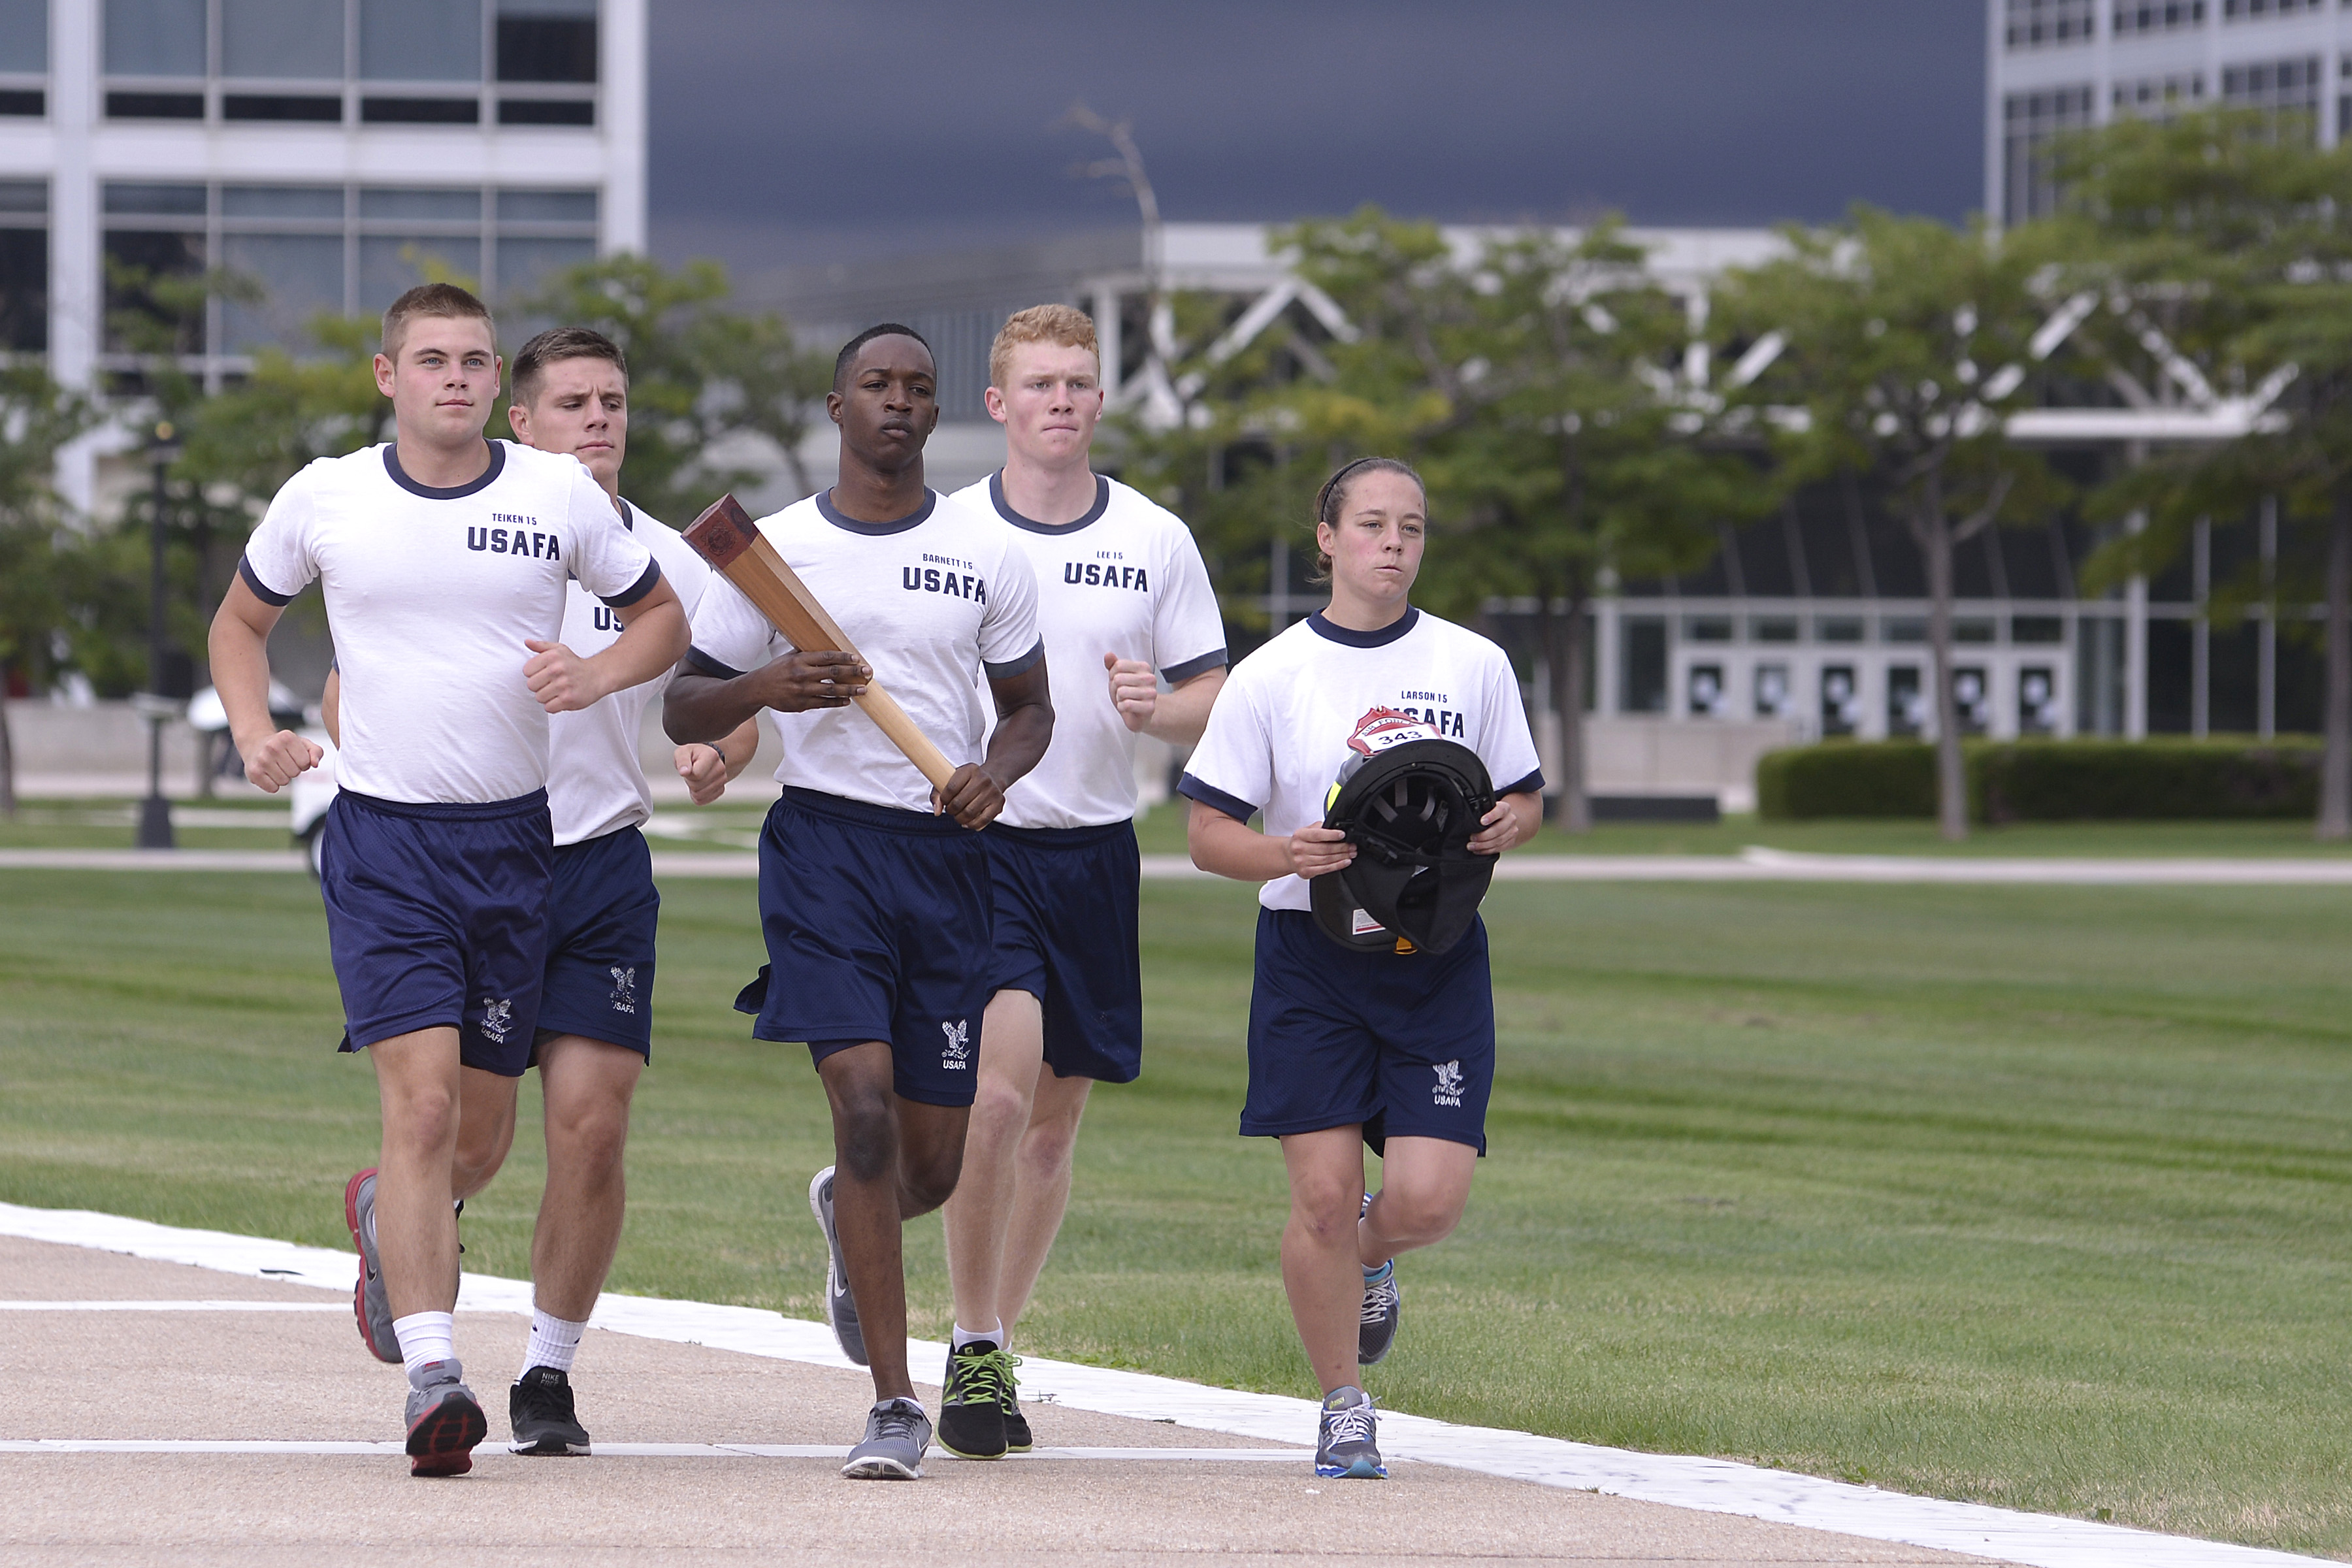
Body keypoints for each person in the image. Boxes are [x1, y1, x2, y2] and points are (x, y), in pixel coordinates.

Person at [207, 284, 688, 1478]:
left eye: (476, 360)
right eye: (434, 361)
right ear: (389, 377)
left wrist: (598, 669)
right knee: (418, 1111)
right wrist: (249, 732)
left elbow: (664, 618)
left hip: (518, 848)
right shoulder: (328, 495)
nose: (459, 379)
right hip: (385, 846)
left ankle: (394, 1228)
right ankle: (435, 1376)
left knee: (480, 1134)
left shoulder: (556, 496)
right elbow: (239, 624)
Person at [322, 325, 760, 1457]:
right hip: (464, 860)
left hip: (600, 863)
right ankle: (397, 1209)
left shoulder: (670, 560)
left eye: (613, 400)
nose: (598, 420)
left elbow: (721, 699)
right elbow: (347, 680)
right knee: (472, 1140)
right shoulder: (473, 527)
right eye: (572, 404)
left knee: (594, 1128)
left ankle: (547, 1375)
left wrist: (722, 753)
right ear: (523, 423)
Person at [663, 323, 1051, 1480]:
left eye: (918, 389)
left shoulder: (988, 555)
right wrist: (767, 686)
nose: (898, 402)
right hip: (826, 850)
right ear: (837, 407)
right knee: (865, 1105)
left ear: (937, 413)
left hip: (945, 857)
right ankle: (892, 1402)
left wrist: (1001, 768)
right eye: (876, 385)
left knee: (928, 1165)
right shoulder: (770, 553)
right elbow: (685, 704)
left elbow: (1029, 708)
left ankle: (850, 1211)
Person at [1176, 457, 1543, 1480]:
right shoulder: (1271, 674)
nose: (1394, 543)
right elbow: (1208, 833)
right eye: (1373, 524)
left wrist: (1517, 819)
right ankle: (1344, 1403)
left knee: (1425, 1202)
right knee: (1326, 1201)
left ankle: (1373, 1263)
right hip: (1310, 957)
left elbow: (1519, 798)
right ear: (1327, 539)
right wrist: (1282, 853)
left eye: (1412, 527)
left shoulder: (1473, 663)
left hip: (1435, 958)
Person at [935, 304, 1226, 1460]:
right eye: (1041, 385)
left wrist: (1166, 708)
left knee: (1052, 1131)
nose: (1062, 401)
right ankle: (966, 1344)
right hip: (983, 845)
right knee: (995, 1103)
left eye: (1080, 385)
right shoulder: (951, 532)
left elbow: (1215, 692)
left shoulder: (1156, 537)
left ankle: (998, 1337)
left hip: (1099, 853)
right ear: (1000, 405)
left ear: (1100, 403)